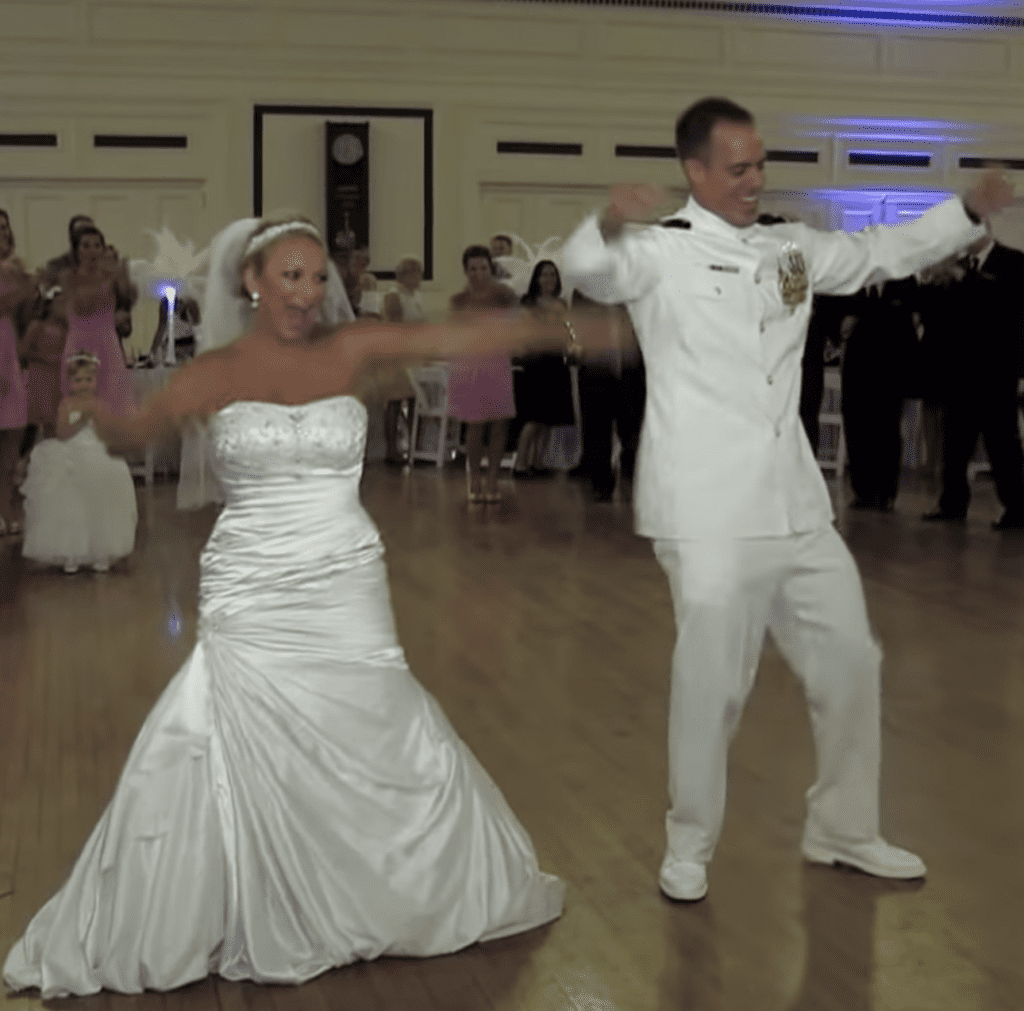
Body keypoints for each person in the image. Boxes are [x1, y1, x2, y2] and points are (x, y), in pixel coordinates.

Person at [2, 213, 611, 998]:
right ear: (253, 281)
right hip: (252, 577)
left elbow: (453, 342)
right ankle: (255, 888)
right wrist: (91, 411)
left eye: (318, 277)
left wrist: (563, 326)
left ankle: (377, 884)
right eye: (291, 275)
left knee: (372, 708)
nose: (308, 291)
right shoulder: (217, 369)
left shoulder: (349, 349)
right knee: (240, 724)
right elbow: (140, 431)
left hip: (343, 569)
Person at [560, 95, 1010, 902]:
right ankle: (689, 841)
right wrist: (608, 216)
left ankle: (843, 825)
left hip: (794, 502)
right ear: (694, 171)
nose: (754, 179)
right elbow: (586, 267)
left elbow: (880, 251)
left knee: (851, 662)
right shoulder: (657, 256)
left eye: (760, 163)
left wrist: (967, 211)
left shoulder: (790, 247)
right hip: (704, 509)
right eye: (737, 167)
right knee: (713, 680)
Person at [920, 235, 1024, 530]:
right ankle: (952, 504)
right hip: (960, 373)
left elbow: (1004, 302)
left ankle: (1017, 508)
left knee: (1002, 444)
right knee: (955, 444)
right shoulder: (959, 267)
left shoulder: (1013, 261)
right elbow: (940, 317)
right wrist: (933, 284)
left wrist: (962, 275)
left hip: (996, 373)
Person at [20, 351, 137, 573]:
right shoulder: (67, 405)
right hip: (72, 450)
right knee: (70, 501)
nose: (83, 384)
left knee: (107, 485)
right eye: (78, 380)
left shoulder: (99, 404)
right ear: (70, 383)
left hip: (97, 451)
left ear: (95, 381)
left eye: (88, 379)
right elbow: (62, 433)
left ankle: (100, 551)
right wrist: (80, 422)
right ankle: (70, 552)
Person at [447, 244, 518, 503]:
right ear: (465, 271)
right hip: (470, 363)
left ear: (491, 268)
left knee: (499, 422)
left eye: (484, 267)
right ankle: (474, 478)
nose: (479, 273)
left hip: (497, 360)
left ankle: (493, 479)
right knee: (475, 425)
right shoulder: (459, 300)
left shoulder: (505, 295)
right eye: (473, 268)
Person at [58, 225, 137, 416]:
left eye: (97, 245)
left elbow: (129, 300)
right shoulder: (68, 276)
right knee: (80, 405)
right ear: (76, 250)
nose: (92, 251)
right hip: (79, 345)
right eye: (86, 246)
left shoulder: (113, 274)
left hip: (107, 345)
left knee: (114, 406)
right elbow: (82, 306)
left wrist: (123, 275)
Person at [512, 260, 573, 479]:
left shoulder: (562, 303)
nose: (549, 279)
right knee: (533, 416)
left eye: (553, 275)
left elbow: (566, 331)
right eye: (544, 275)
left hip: (556, 362)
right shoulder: (528, 303)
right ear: (536, 279)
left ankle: (537, 462)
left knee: (549, 417)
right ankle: (520, 463)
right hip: (536, 363)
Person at [0, 209, 31, 536]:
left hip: (9, 347)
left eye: (6, 229)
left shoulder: (16, 269)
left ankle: (7, 508)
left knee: (13, 438)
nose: (3, 235)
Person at [382, 255, 426, 465]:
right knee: (395, 401)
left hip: (414, 353)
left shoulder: (416, 296)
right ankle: (392, 449)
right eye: (416, 273)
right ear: (406, 275)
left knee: (415, 400)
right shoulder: (394, 295)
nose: (419, 278)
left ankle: (415, 447)